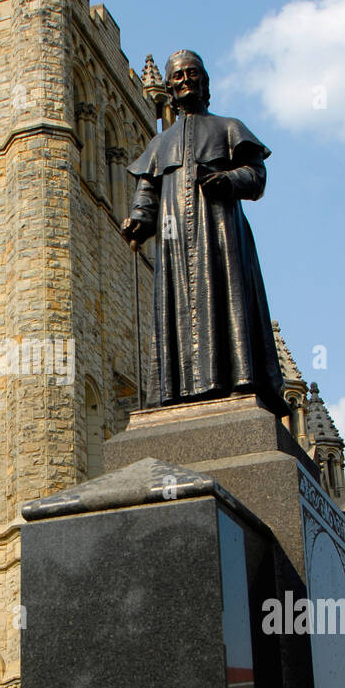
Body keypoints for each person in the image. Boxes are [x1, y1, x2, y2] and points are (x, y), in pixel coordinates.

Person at [121, 51, 285, 415]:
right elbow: (147, 192)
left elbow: (256, 177)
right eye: (178, 76)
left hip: (221, 231)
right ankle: (177, 392)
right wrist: (138, 219)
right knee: (177, 307)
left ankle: (237, 382)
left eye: (192, 73)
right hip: (174, 237)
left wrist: (227, 179)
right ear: (168, 87)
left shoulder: (229, 128)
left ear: (204, 81)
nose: (185, 80)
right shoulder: (159, 145)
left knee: (225, 299)